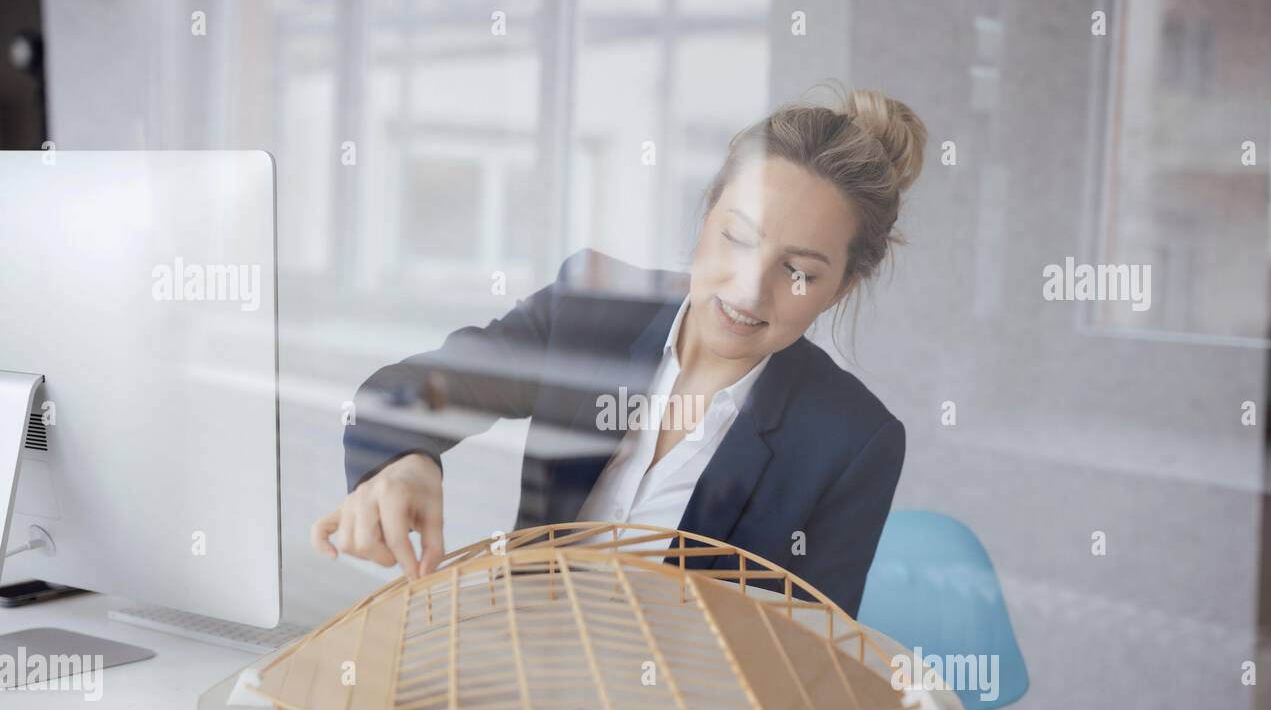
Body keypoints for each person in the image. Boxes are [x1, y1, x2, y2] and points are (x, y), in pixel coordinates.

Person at [312, 84, 926, 614]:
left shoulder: (852, 441)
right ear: (707, 212)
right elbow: (407, 394)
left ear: (842, 286)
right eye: (737, 237)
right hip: (519, 680)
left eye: (798, 270)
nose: (748, 288)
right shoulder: (589, 310)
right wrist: (406, 457)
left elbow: (811, 655)